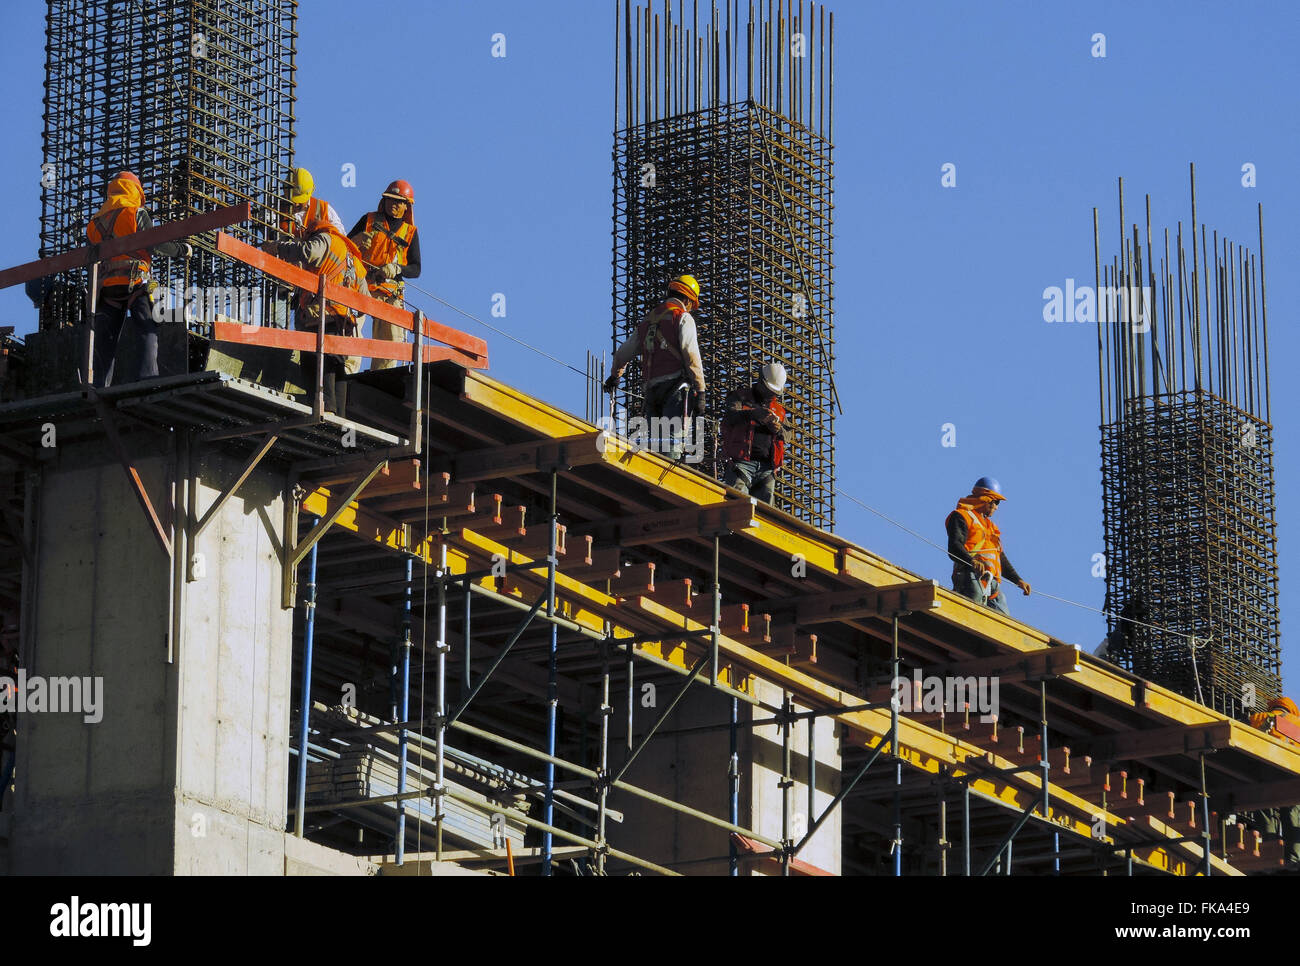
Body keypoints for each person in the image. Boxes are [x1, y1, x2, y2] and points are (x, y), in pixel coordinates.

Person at [85, 171, 191, 386]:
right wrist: (182, 250)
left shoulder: (94, 223)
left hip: (108, 289)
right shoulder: (135, 213)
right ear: (136, 191)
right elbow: (155, 244)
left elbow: (91, 258)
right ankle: (147, 379)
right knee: (147, 330)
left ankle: (99, 386)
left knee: (105, 341)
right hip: (135, 284)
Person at [262, 203, 368, 415]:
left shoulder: (324, 238)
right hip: (342, 321)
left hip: (320, 315)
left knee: (314, 359)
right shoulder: (352, 256)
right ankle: (339, 411)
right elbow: (364, 299)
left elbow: (308, 252)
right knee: (336, 361)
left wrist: (277, 248)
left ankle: (323, 406)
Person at [603, 275, 705, 459]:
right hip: (676, 389)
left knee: (655, 444)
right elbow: (691, 357)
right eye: (691, 304)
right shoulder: (682, 318)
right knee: (673, 442)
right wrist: (701, 391)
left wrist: (615, 376)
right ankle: (670, 481)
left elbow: (621, 354)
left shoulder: (647, 323)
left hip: (651, 390)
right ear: (688, 299)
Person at [349, 180, 421, 370]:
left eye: (398, 201)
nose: (393, 204)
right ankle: (346, 373)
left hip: (390, 293)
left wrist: (398, 269)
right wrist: (356, 241)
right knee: (351, 330)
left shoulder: (410, 232)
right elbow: (344, 246)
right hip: (362, 286)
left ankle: (379, 381)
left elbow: (416, 268)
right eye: (390, 199)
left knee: (389, 345)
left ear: (407, 206)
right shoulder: (369, 220)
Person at [945, 476, 1030, 615]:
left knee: (1003, 619)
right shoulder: (962, 516)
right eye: (995, 502)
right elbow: (954, 547)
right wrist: (972, 561)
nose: (996, 507)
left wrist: (1018, 580)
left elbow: (999, 556)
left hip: (992, 583)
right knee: (972, 610)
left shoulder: (990, 527)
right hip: (970, 575)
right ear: (986, 498)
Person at [720, 361, 794, 504]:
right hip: (741, 464)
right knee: (737, 507)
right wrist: (753, 414)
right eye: (769, 391)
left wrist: (778, 429)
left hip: (766, 468)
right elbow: (730, 417)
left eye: (774, 393)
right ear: (760, 381)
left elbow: (788, 436)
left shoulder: (779, 410)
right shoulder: (739, 398)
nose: (771, 395)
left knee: (766, 516)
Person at [280, 167, 345, 240]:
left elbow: (340, 236)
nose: (296, 204)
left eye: (300, 200)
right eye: (293, 200)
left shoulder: (323, 209)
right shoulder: (275, 209)